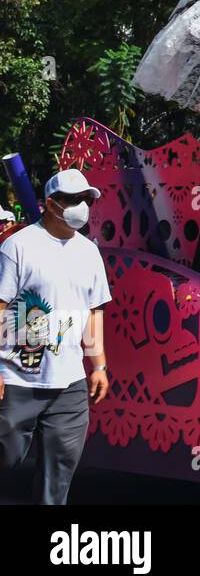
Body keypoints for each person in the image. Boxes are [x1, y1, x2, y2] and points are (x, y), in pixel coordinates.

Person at [0, 169, 112, 505]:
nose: (83, 206)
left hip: (70, 386)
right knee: (6, 461)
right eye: (74, 200)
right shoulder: (18, 246)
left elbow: (94, 310)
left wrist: (99, 366)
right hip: (18, 379)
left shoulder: (89, 252)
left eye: (87, 199)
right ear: (51, 204)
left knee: (58, 478)